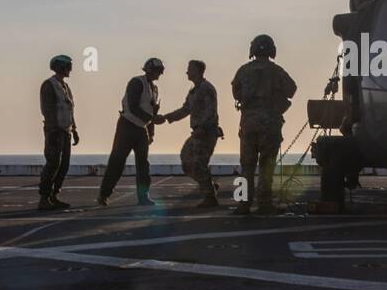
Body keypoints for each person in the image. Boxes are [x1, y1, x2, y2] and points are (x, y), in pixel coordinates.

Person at [230, 34, 296, 214]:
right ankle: (264, 203)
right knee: (267, 165)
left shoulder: (243, 70)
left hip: (249, 122)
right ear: (271, 50)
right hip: (270, 123)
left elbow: (236, 92)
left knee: (247, 166)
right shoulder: (277, 71)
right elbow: (292, 89)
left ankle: (243, 204)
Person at [98, 57, 166, 207]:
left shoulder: (154, 89)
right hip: (127, 126)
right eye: (157, 71)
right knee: (117, 161)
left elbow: (152, 111)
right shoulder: (136, 82)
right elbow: (133, 107)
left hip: (142, 129)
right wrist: (152, 120)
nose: (159, 74)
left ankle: (143, 196)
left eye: (160, 72)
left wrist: (151, 131)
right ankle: (104, 194)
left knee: (143, 165)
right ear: (149, 69)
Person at [162, 60, 223, 208]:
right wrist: (165, 117)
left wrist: (203, 127)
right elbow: (185, 110)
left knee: (199, 163)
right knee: (186, 161)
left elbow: (211, 111)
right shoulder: (194, 91)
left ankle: (210, 197)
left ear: (198, 71)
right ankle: (209, 186)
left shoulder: (207, 88)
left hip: (207, 132)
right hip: (197, 133)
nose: (187, 72)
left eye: (189, 69)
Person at [38, 54, 79, 210]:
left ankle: (54, 195)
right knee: (53, 164)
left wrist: (74, 129)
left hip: (66, 131)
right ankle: (44, 197)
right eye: (68, 66)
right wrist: (54, 131)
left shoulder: (65, 87)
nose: (70, 69)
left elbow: (69, 110)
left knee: (64, 165)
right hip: (54, 131)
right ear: (60, 67)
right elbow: (47, 110)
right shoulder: (49, 85)